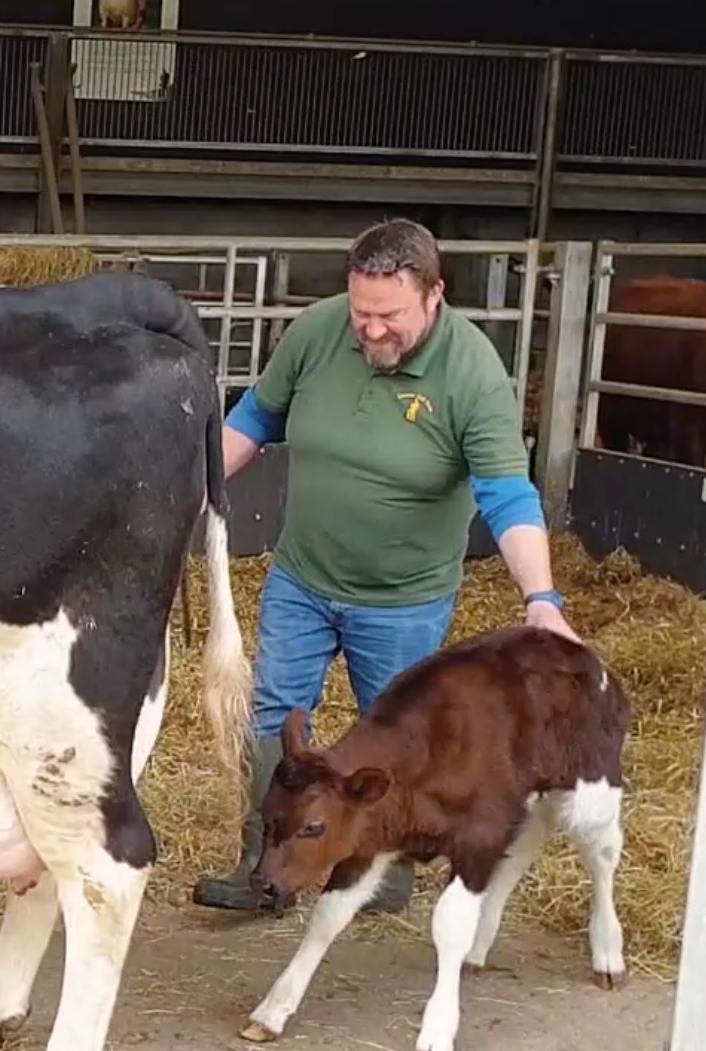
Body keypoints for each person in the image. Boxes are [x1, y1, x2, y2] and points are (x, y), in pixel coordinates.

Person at [193, 217, 579, 914]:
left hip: (402, 598)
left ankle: (383, 868)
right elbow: (254, 418)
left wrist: (541, 598)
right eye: (360, 312)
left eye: (387, 315)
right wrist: (184, 495)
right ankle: (266, 865)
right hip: (303, 576)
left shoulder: (473, 377)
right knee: (275, 714)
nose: (368, 329)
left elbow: (507, 493)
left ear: (434, 295)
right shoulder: (317, 331)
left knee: (390, 729)